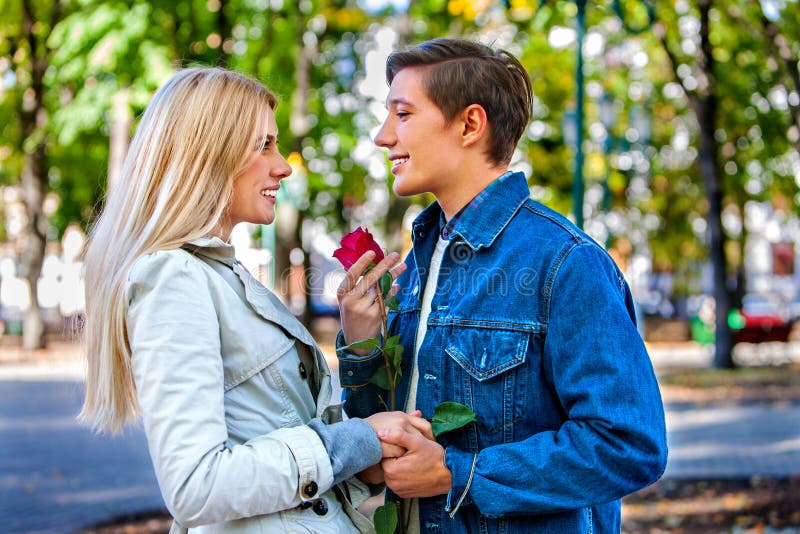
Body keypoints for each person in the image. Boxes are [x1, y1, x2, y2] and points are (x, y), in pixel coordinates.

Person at [79, 67, 431, 533]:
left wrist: (360, 352)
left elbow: (281, 446)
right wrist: (354, 441)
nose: (282, 165)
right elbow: (195, 487)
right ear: (209, 153)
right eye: (263, 145)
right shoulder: (174, 276)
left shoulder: (220, 273)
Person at [336, 38, 668, 533]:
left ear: (470, 124)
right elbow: (388, 438)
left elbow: (627, 444)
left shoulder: (565, 263)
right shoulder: (417, 263)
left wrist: (458, 474)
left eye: (403, 114)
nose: (383, 137)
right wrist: (363, 345)